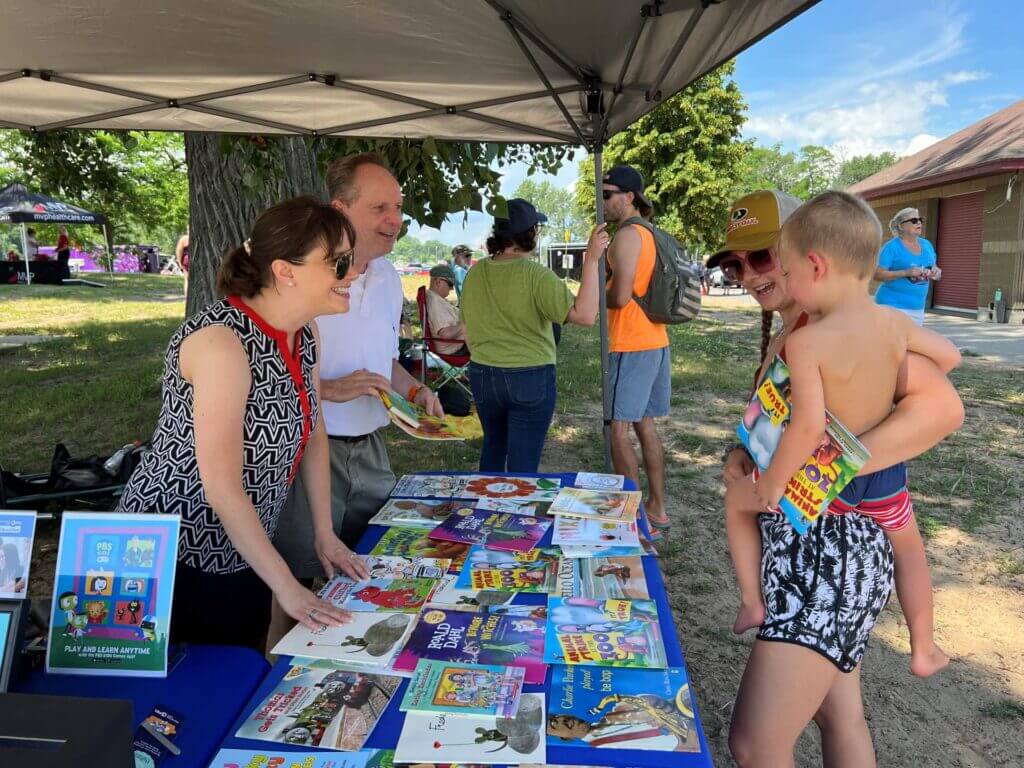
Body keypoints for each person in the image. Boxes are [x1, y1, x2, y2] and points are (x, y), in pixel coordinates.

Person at [707, 190, 965, 767]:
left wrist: (821, 472)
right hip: (807, 544)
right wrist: (745, 452)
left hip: (832, 552)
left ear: (809, 258)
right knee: (837, 713)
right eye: (733, 264)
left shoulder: (846, 330)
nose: (747, 275)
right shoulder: (804, 328)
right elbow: (784, 420)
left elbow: (943, 407)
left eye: (764, 258)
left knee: (754, 744)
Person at [115, 196, 369, 651]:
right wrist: (286, 584)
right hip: (171, 554)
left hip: (242, 547)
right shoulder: (221, 343)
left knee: (238, 664)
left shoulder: (303, 332)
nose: (354, 272)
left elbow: (312, 433)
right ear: (285, 270)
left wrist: (324, 534)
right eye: (339, 262)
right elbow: (222, 489)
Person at [273, 153, 444, 581]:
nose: (395, 219)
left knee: (377, 562)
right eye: (379, 208)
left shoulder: (388, 277)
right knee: (299, 575)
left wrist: (413, 391)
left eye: (399, 208)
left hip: (371, 449)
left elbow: (382, 361)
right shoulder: (303, 278)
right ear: (339, 210)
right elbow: (267, 371)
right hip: (310, 449)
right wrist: (329, 389)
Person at [459, 198, 606, 472]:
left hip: (483, 374)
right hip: (530, 375)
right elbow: (585, 316)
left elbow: (467, 329)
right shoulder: (537, 275)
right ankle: (516, 513)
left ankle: (486, 510)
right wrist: (592, 260)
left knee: (493, 449)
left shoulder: (474, 274)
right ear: (531, 233)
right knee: (522, 466)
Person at [602, 165, 671, 535]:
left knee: (618, 431)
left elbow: (621, 296)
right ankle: (656, 508)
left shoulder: (627, 236)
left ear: (629, 197)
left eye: (608, 194)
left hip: (629, 343)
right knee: (646, 425)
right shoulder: (652, 233)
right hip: (655, 340)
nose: (602, 202)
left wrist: (596, 290)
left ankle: (634, 520)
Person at [873, 206, 941, 325]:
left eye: (920, 219)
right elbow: (877, 274)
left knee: (911, 344)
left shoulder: (927, 245)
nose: (919, 222)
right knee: (894, 343)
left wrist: (936, 272)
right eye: (914, 220)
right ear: (901, 226)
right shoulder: (892, 247)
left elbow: (934, 267)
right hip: (892, 305)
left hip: (918, 308)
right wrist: (906, 272)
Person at [424, 264, 468, 355]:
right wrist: (469, 325)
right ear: (438, 282)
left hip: (461, 343)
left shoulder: (437, 298)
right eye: (450, 284)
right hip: (457, 348)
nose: (452, 289)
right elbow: (446, 333)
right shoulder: (435, 302)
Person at [175, 226, 190, 294]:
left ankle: (187, 297)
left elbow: (179, 251)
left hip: (187, 260)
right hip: (188, 260)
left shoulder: (184, 238)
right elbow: (179, 251)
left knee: (187, 280)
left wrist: (179, 262)